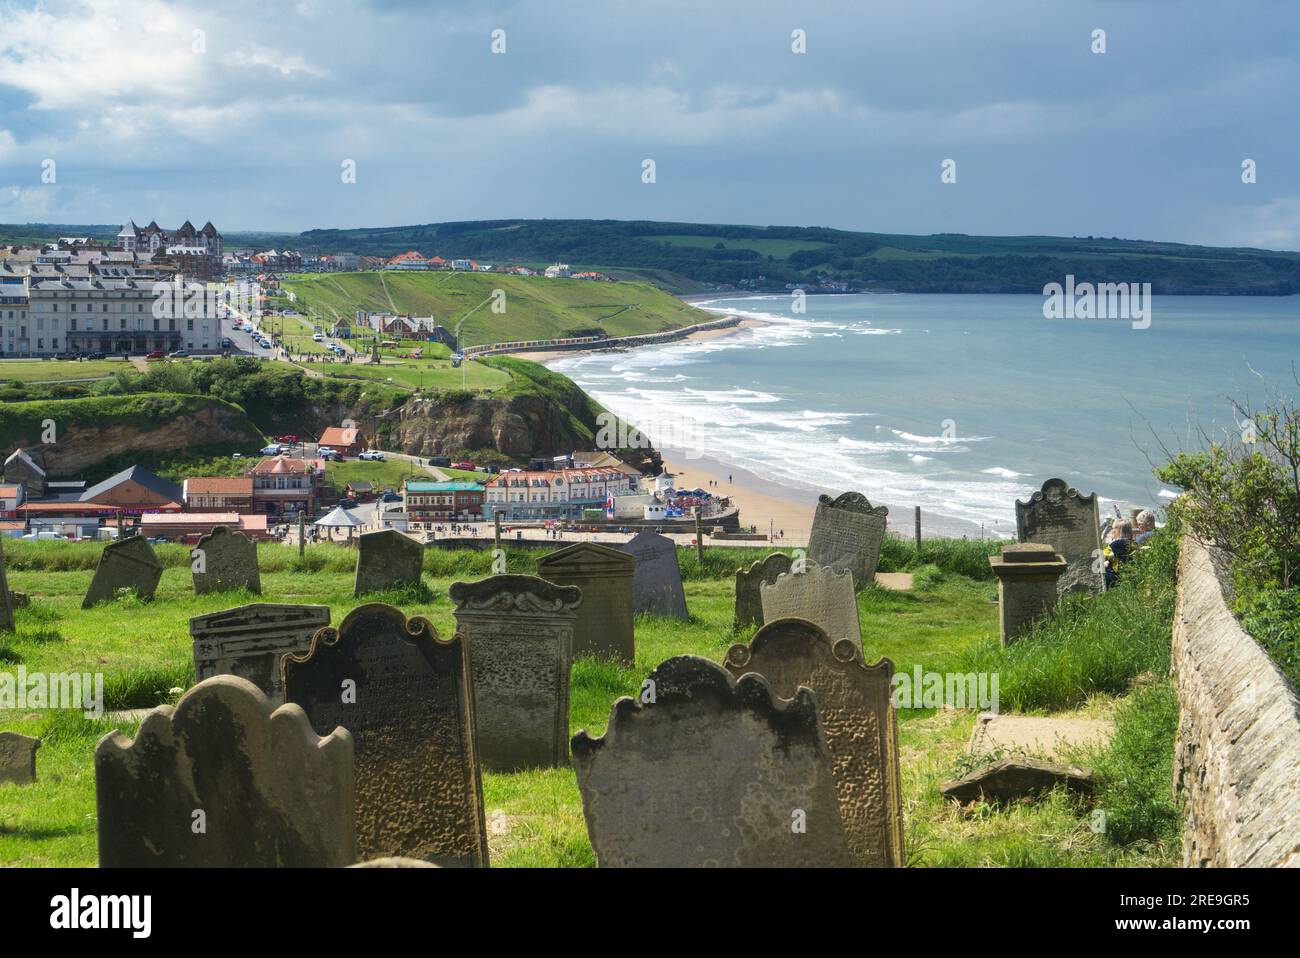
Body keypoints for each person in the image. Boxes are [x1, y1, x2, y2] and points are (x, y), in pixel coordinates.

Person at [1104, 519, 1133, 588]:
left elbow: (1102, 556)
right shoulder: (1133, 543)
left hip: (1116, 578)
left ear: (1118, 530)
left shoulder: (1115, 544)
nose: (1111, 531)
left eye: (1112, 528)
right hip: (1130, 576)